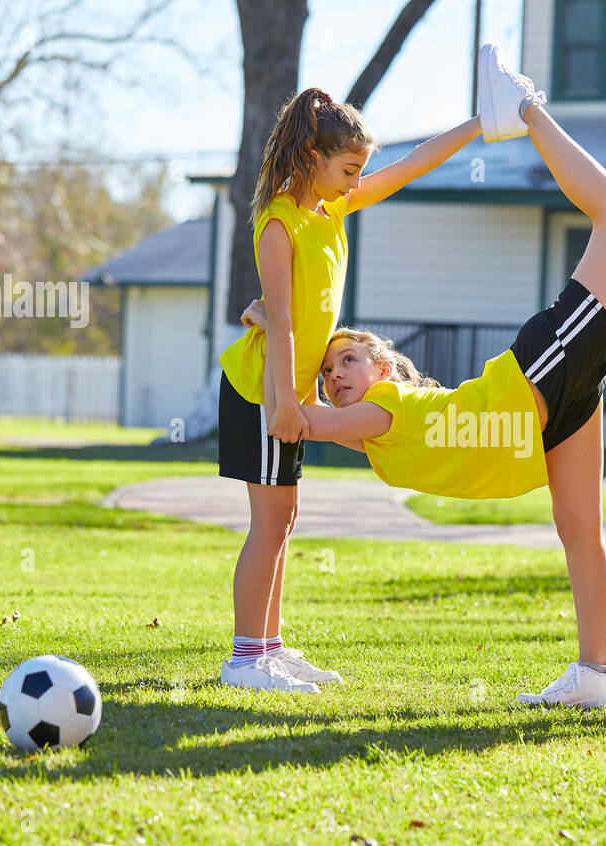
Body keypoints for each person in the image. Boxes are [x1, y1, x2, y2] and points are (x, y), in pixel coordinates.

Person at [260, 45, 606, 708]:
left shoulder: (381, 409)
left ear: (386, 367)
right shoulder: (370, 431)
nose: (336, 374)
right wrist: (283, 356)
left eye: (349, 359)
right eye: (329, 371)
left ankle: (526, 107)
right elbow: (309, 415)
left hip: (531, 377)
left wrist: (280, 375)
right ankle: (597, 673)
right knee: (581, 529)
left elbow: (305, 419)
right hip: (551, 411)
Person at [217, 87, 484, 693]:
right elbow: (281, 320)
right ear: (312, 156)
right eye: (347, 170)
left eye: (360, 171)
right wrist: (287, 402)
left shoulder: (330, 210)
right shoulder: (280, 222)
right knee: (269, 523)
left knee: (284, 520)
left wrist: (476, 125)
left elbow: (413, 165)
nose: (354, 182)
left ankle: (270, 648)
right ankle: (244, 659)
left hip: (285, 392)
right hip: (262, 391)